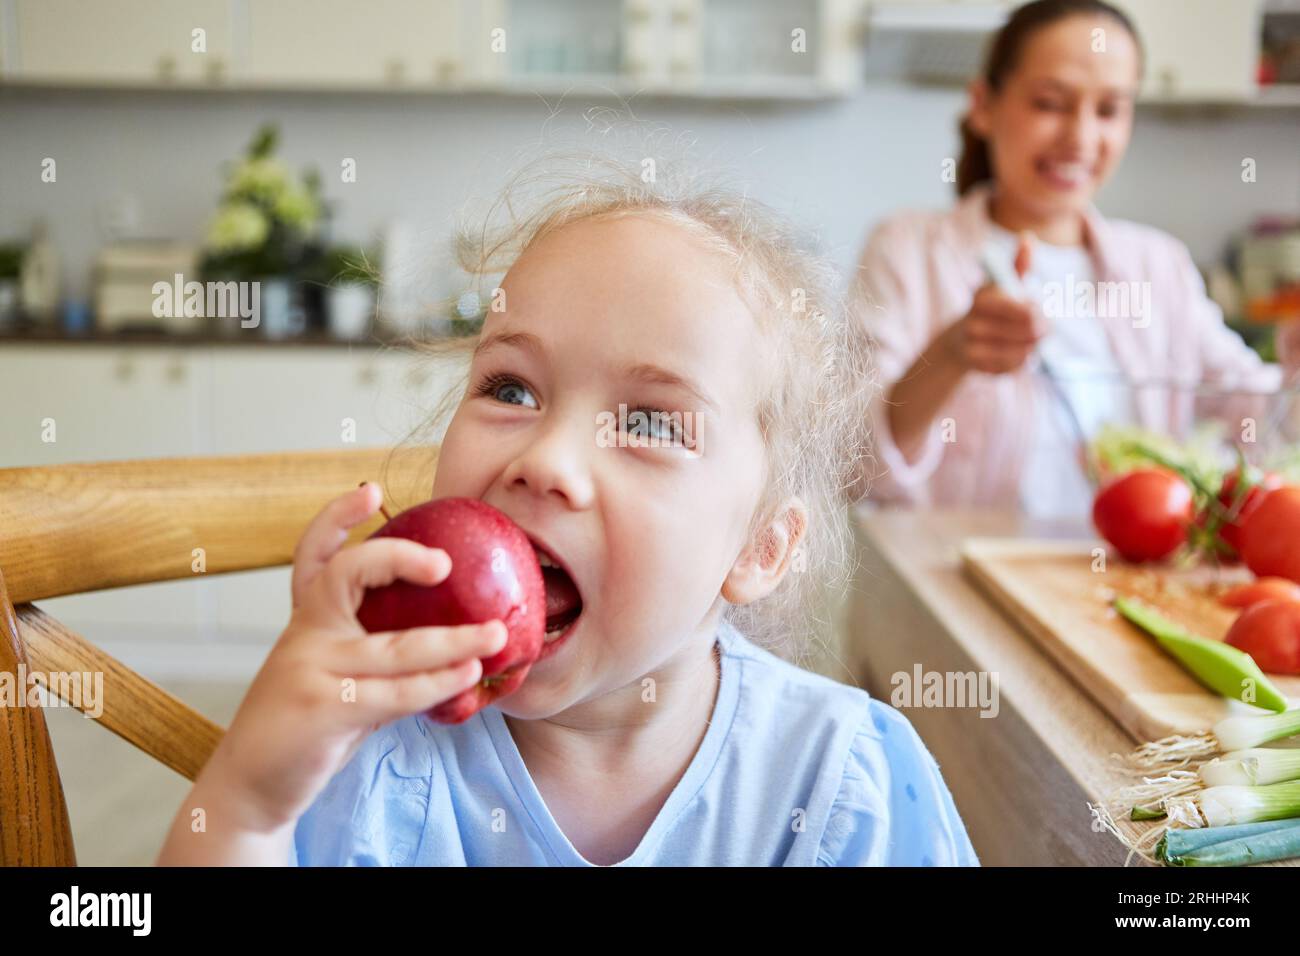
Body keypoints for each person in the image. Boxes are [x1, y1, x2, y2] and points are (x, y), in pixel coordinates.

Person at [155, 144, 979, 867]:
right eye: (511, 388)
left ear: (760, 546)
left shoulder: (840, 781)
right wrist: (249, 803)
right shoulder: (365, 750)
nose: (545, 460)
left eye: (651, 422)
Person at [852, 0, 1300, 514]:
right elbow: (859, 468)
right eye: (1050, 103)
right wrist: (952, 354)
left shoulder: (1158, 266)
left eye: (1109, 110)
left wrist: (1293, 378)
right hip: (951, 584)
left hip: (1120, 579)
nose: (1081, 138)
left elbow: (1258, 426)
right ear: (983, 104)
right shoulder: (908, 250)